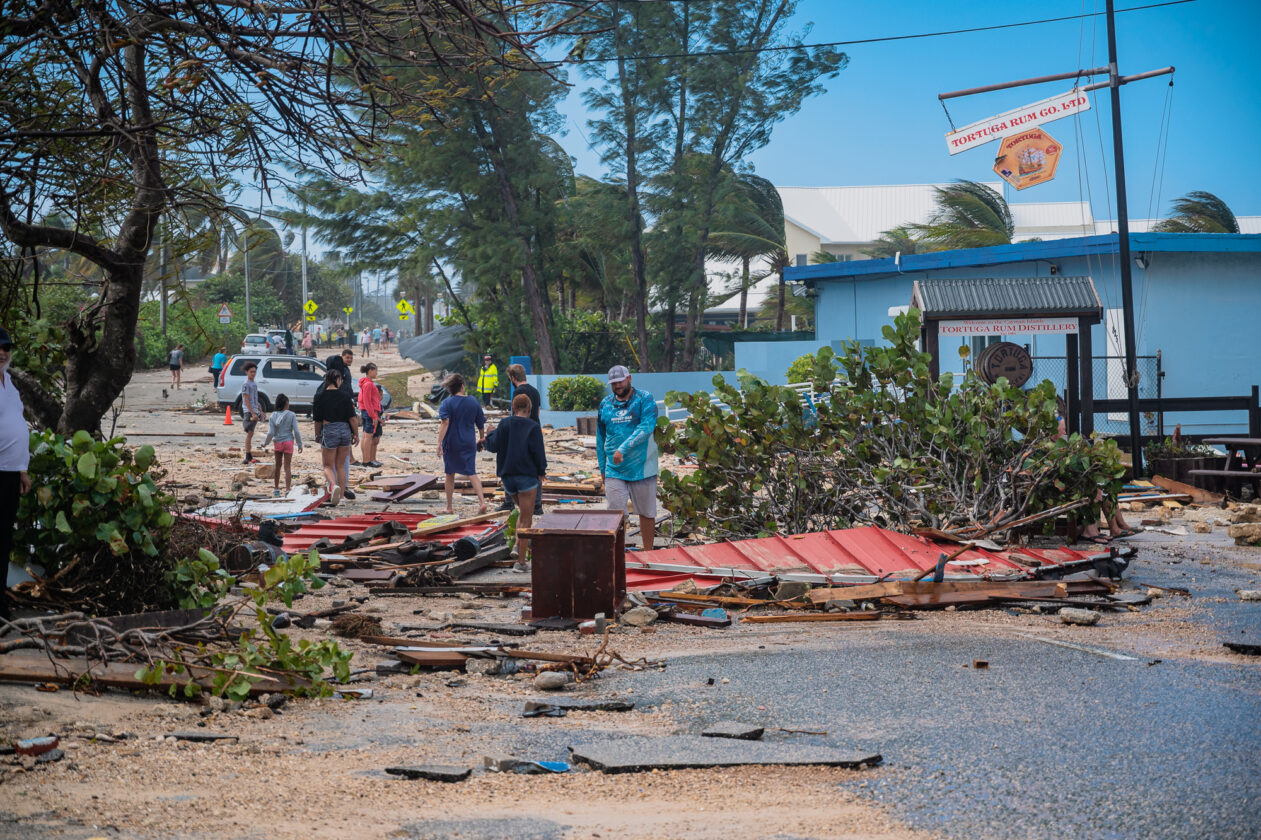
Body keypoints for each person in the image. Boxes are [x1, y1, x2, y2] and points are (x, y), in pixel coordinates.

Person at [597, 365, 660, 550]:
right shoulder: (605, 404)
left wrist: (622, 449)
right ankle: (618, 554)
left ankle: (648, 553)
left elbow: (646, 428)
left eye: (620, 381)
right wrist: (602, 468)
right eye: (613, 383)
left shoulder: (644, 399)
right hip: (614, 470)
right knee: (616, 514)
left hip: (643, 467)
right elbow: (600, 437)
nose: (617, 386)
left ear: (629, 379)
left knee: (647, 512)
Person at [485, 393, 547, 565]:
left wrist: (489, 434)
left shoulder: (504, 423)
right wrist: (541, 470)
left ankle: (517, 546)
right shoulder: (533, 426)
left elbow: (493, 445)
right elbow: (538, 451)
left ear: (513, 408)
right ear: (529, 409)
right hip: (526, 477)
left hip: (508, 478)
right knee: (527, 518)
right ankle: (520, 562)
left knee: (522, 511)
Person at [0, 327, 33, 621]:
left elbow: (16, 425)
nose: (1, 352)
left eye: (5, 347)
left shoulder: (9, 382)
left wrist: (22, 467)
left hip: (11, 472)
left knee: (4, 538)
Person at [437, 373, 487, 514]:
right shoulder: (473, 401)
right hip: (468, 442)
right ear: (462, 386)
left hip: (452, 442)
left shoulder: (446, 403)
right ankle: (482, 502)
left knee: (450, 473)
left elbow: (445, 423)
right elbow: (481, 424)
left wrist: (439, 443)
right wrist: (481, 440)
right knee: (472, 472)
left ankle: (449, 507)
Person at [497, 363, 543, 514]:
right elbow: (537, 412)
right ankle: (537, 505)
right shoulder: (535, 391)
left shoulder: (519, 393)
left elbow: (516, 415)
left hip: (520, 434)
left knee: (511, 464)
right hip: (535, 430)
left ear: (512, 378)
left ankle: (509, 501)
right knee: (536, 465)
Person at [312, 369, 359, 505]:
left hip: (330, 429)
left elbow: (317, 420)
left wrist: (317, 434)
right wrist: (355, 434)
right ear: (337, 379)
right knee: (340, 466)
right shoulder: (344, 396)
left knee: (327, 465)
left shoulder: (320, 396)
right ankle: (342, 497)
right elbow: (352, 418)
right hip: (344, 430)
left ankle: (333, 485)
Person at [262, 393, 303, 496]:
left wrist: (265, 443)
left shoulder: (273, 416)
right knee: (287, 467)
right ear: (286, 403)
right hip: (288, 442)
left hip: (278, 443)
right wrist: (299, 444)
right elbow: (296, 431)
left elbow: (270, 433)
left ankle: (276, 489)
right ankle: (288, 490)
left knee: (278, 466)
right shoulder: (291, 415)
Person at [358, 362, 384, 468]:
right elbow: (367, 401)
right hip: (369, 412)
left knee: (366, 436)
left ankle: (367, 460)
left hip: (367, 412)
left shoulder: (366, 383)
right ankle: (367, 460)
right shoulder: (368, 384)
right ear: (370, 371)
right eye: (375, 370)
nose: (376, 373)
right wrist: (373, 416)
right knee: (368, 437)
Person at [240, 362, 263, 464]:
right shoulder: (246, 384)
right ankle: (247, 456)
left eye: (254, 372)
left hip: (254, 410)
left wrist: (260, 410)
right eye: (251, 372)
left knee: (251, 433)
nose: (253, 373)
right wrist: (253, 413)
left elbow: (254, 399)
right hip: (249, 411)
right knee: (249, 433)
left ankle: (249, 456)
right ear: (247, 372)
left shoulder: (254, 383)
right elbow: (246, 400)